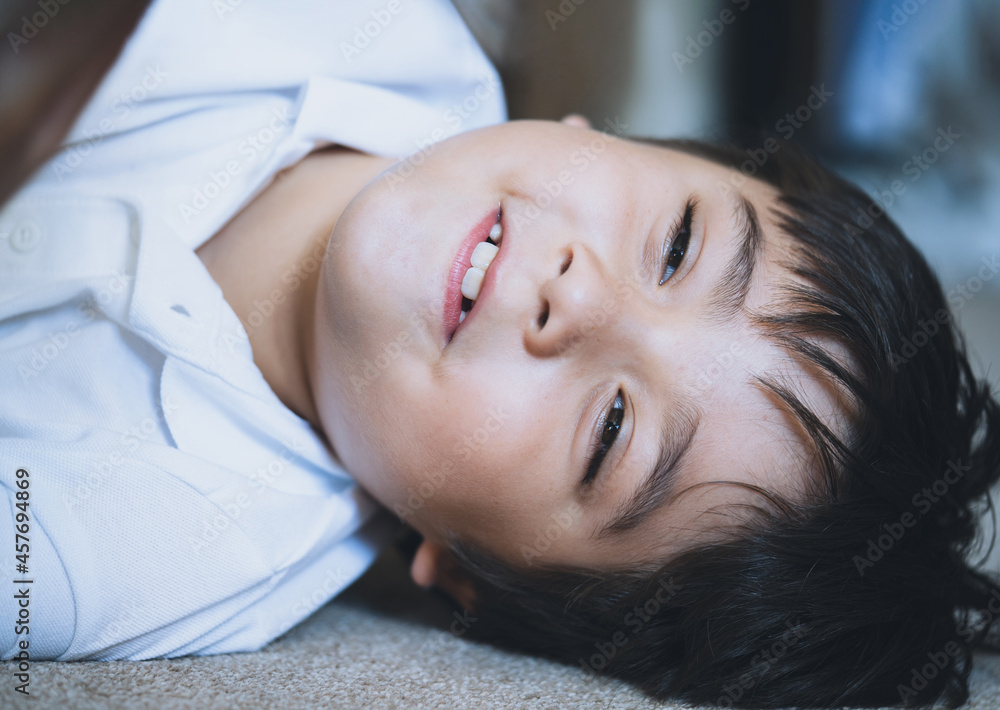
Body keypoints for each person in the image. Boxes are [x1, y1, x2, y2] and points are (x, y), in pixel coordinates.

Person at [2, 3, 998, 710]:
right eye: (678, 246)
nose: (580, 294)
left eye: (612, 427)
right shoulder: (372, 28)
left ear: (467, 578)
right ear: (607, 134)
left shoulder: (138, 551)